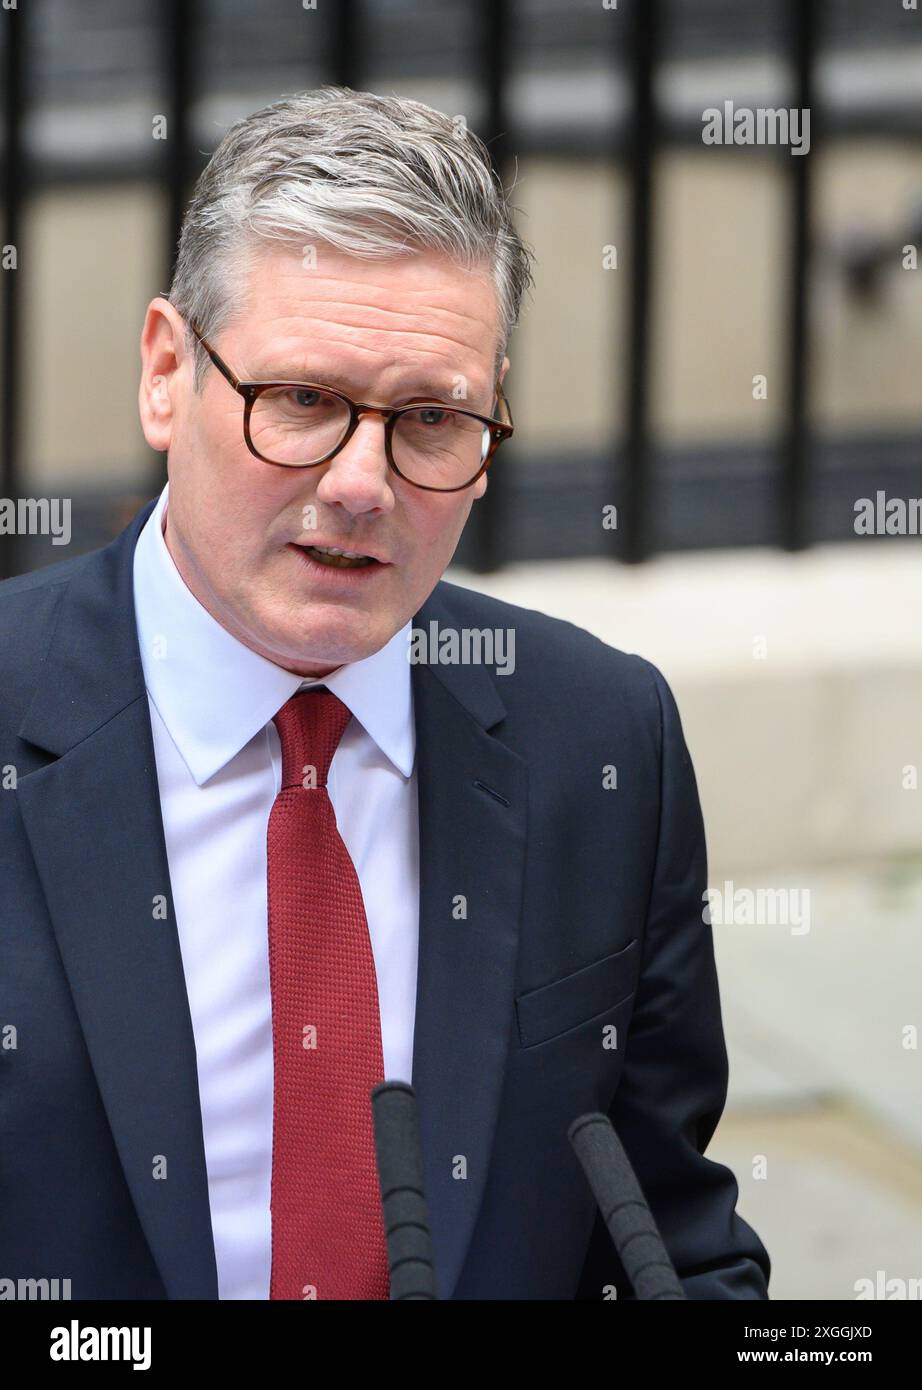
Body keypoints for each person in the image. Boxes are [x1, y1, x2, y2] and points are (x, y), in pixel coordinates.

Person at [0, 87, 770, 1300]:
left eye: (428, 418)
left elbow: (665, 1232)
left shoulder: (600, 738)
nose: (363, 483)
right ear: (165, 373)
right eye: (300, 400)